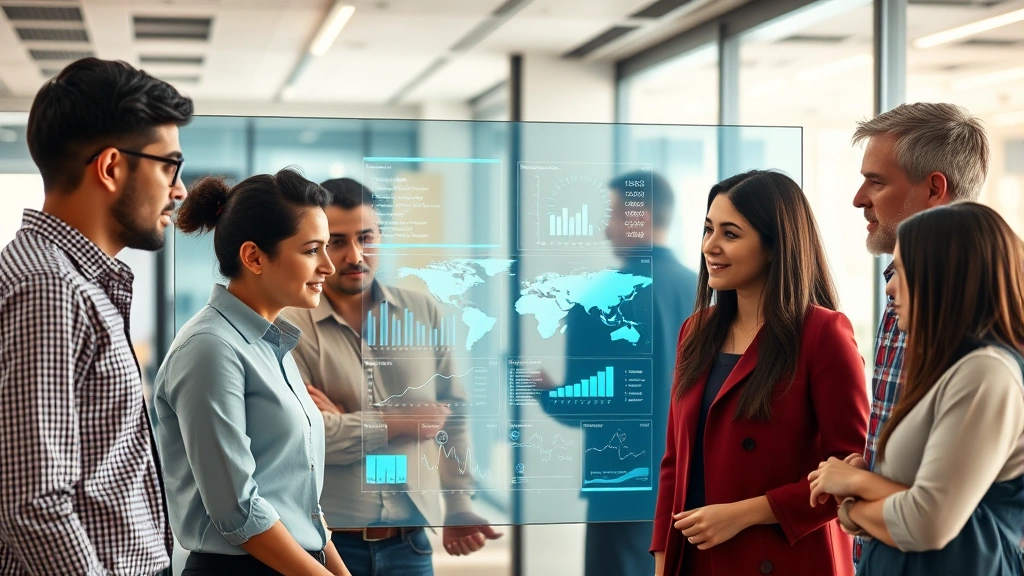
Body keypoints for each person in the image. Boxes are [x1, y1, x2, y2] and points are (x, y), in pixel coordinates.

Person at [0, 57, 192, 575]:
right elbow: (34, 502)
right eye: (168, 166)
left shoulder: (78, 283)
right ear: (110, 167)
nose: (180, 190)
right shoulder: (49, 288)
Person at [651, 170, 870, 575]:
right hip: (697, 557)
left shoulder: (823, 333)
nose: (709, 246)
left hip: (787, 558)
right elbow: (674, 461)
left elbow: (851, 470)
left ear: (774, 246)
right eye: (707, 229)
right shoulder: (695, 329)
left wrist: (746, 513)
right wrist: (663, 561)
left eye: (730, 234)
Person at [281, 177, 501, 576]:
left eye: (366, 238)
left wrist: (458, 503)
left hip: (410, 546)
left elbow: (453, 414)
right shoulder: (288, 327)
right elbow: (305, 438)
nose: (354, 255)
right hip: (325, 547)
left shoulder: (424, 312)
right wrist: (402, 421)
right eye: (337, 241)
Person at [809, 202, 1024, 575]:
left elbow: (928, 520)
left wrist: (853, 498)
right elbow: (926, 497)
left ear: (947, 278)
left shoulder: (986, 373)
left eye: (904, 271)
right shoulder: (952, 367)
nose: (890, 287)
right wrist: (870, 481)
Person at [153, 168, 349, 575]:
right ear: (254, 257)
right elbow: (238, 509)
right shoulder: (210, 348)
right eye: (312, 250)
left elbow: (300, 505)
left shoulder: (271, 344)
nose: (328, 266)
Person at [849, 102, 991, 565]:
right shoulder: (899, 285)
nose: (858, 199)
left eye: (877, 181)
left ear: (934, 189)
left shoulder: (988, 311)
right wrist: (867, 472)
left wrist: (854, 498)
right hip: (885, 553)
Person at [538, 171, 697, 576]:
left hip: (621, 487)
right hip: (691, 486)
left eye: (611, 213)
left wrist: (540, 388)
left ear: (637, 217)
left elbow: (582, 405)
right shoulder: (705, 291)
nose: (605, 228)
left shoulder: (599, 298)